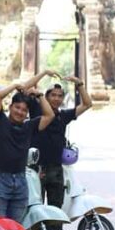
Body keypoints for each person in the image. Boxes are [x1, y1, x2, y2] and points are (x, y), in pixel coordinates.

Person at [0, 74, 56, 223]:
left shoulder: (29, 126)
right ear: (10, 107)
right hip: (0, 178)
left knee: (16, 226)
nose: (20, 112)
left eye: (24, 110)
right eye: (17, 107)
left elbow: (49, 115)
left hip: (21, 180)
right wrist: (14, 86)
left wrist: (39, 95)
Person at [32, 75, 92, 208]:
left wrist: (79, 83)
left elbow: (87, 104)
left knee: (57, 209)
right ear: (46, 96)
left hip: (56, 168)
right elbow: (26, 87)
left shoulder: (63, 116)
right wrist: (44, 73)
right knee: (36, 209)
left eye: (60, 96)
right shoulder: (36, 111)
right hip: (37, 168)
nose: (56, 98)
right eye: (53, 95)